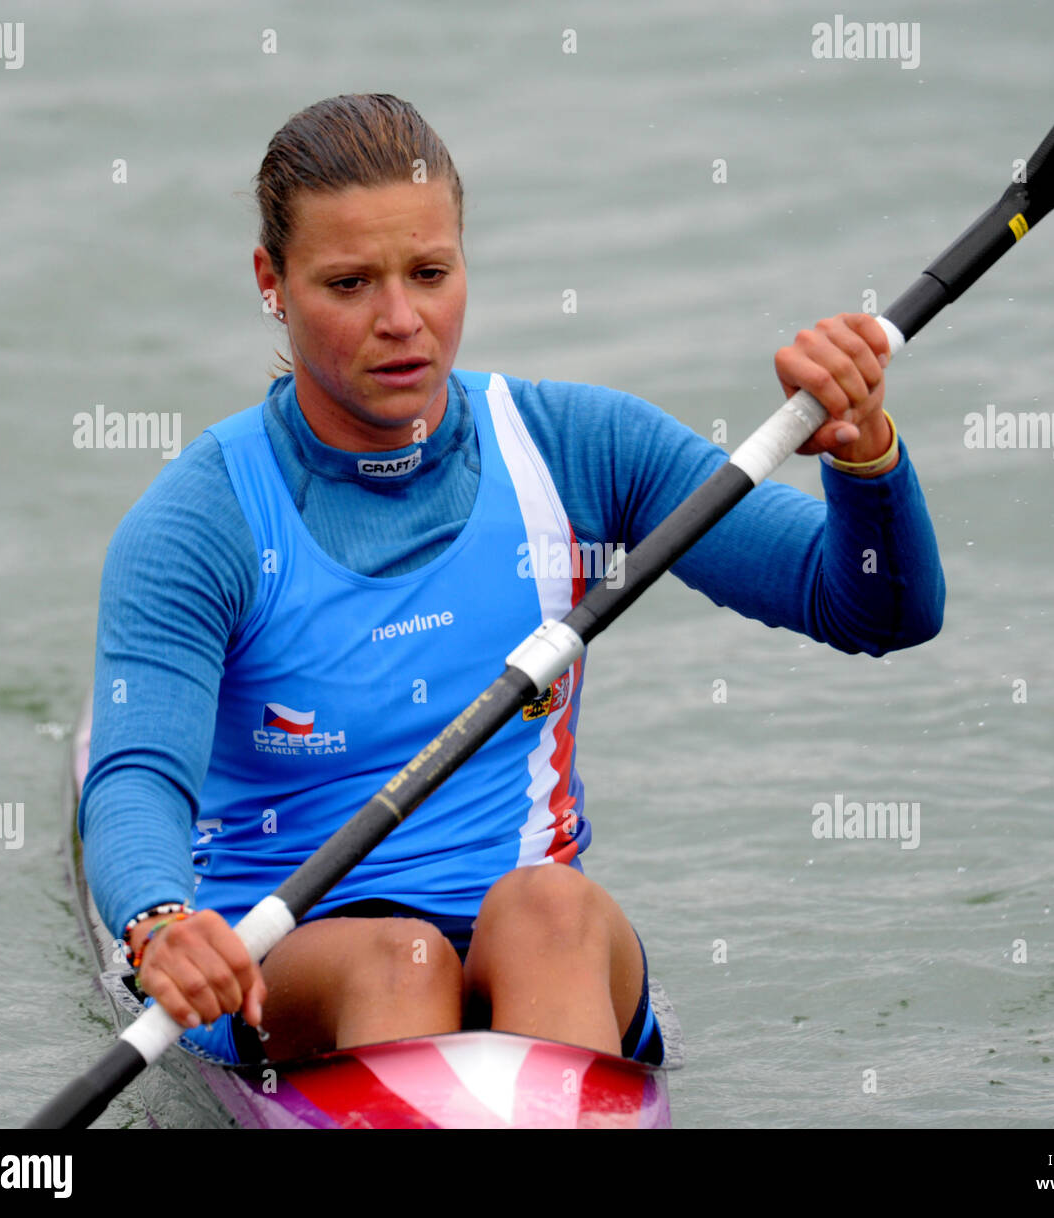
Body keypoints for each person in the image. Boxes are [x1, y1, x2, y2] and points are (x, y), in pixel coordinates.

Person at [79, 92, 945, 1069]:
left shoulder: (572, 449)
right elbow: (137, 775)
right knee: (400, 961)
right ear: (271, 282)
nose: (401, 320)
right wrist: (158, 922)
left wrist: (862, 450)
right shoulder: (200, 521)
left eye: (430, 273)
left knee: (552, 908)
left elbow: (877, 608)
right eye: (350, 282)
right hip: (290, 980)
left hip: (536, 958)